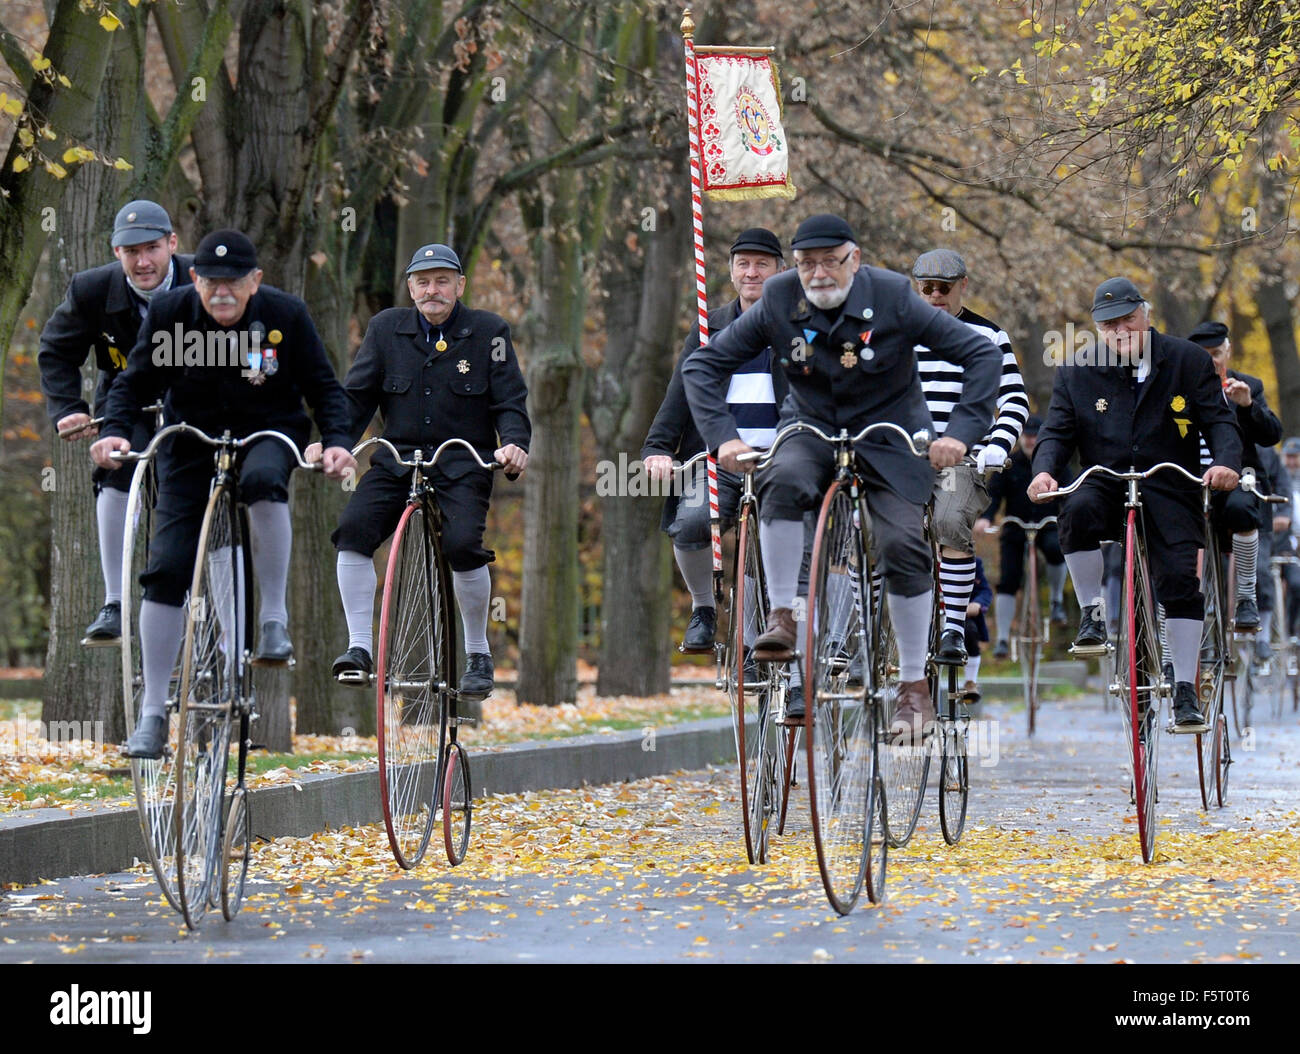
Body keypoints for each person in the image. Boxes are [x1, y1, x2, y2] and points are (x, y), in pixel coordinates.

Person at [682, 213, 1001, 732]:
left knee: (902, 544)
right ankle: (783, 616)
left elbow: (980, 356)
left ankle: (914, 686)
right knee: (779, 480)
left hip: (890, 435)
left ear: (855, 259)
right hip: (810, 428)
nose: (819, 273)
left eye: (831, 261)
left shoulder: (897, 296)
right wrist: (726, 438)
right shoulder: (780, 298)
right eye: (807, 263)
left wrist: (960, 434)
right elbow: (702, 365)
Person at [91, 229, 356, 757]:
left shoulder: (286, 315)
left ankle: (273, 620)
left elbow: (325, 389)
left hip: (268, 432)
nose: (222, 295)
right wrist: (114, 430)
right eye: (211, 285)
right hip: (191, 442)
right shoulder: (169, 314)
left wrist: (338, 443)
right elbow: (133, 382)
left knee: (261, 480)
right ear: (194, 280)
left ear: (255, 281)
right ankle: (151, 716)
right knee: (165, 568)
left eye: (234, 284)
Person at [1028, 278, 1242, 729]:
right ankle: (1092, 611)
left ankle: (1185, 688)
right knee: (1077, 509)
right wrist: (1044, 470)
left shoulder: (1186, 360)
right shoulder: (1077, 369)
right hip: (1106, 481)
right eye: (1109, 325)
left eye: (1128, 319)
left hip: (1168, 483)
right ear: (1097, 330)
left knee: (1180, 580)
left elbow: (1219, 420)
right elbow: (1057, 431)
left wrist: (1226, 464)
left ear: (1146, 314)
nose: (1120, 330)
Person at [326, 243, 529, 701]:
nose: (432, 290)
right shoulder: (384, 330)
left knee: (462, 544)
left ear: (459, 285)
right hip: (397, 460)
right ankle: (359, 647)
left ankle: (477, 653)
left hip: (461, 463)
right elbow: (356, 397)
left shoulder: (489, 332)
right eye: (422, 281)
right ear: (410, 288)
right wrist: (337, 441)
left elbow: (509, 402)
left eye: (442, 281)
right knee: (353, 529)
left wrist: (514, 443)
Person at [37, 200, 193, 645]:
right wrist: (68, 406)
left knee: (206, 481)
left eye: (152, 249)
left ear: (172, 244)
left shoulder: (207, 280)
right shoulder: (92, 289)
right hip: (126, 403)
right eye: (130, 252)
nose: (143, 262)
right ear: (115, 252)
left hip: (198, 402)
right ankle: (114, 601)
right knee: (115, 468)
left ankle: (223, 616)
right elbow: (55, 350)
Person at [642, 228, 787, 651]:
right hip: (718, 459)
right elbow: (681, 392)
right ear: (731, 271)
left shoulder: (797, 325)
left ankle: (801, 660)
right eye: (743, 263)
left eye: (762, 264)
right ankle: (704, 607)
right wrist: (657, 448)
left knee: (796, 540)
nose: (752, 272)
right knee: (689, 523)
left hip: (784, 457)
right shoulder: (710, 326)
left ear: (781, 270)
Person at [911, 248, 1030, 666]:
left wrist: (997, 444)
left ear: (963, 285)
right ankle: (857, 635)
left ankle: (953, 628)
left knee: (948, 519)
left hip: (963, 460)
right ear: (916, 289)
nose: (936, 295)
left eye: (945, 287)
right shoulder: (897, 332)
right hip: (904, 458)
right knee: (866, 523)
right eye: (927, 288)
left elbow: (1014, 400)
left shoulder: (988, 336)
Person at [1184, 320, 1283, 631]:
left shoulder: (1247, 385)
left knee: (1242, 508)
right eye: (1203, 355)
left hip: (1238, 480)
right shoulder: (1177, 389)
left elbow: (1271, 436)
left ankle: (1246, 594)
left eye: (1216, 353)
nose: (1211, 361)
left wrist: (1248, 406)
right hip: (1189, 481)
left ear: (1228, 352)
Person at [975, 415, 1069, 658]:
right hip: (1015, 527)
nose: (1030, 439)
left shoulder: (1055, 464)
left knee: (1056, 549)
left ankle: (1057, 601)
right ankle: (1003, 638)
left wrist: (1069, 517)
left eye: (1035, 435)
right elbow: (993, 495)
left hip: (1047, 524)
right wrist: (986, 517)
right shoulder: (1008, 464)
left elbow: (1069, 492)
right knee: (1009, 577)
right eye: (1027, 435)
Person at [961, 556, 992, 704]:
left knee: (970, 632)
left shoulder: (973, 563)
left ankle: (970, 681)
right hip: (934, 615)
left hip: (963, 616)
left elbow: (985, 590)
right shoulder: (926, 560)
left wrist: (977, 604)